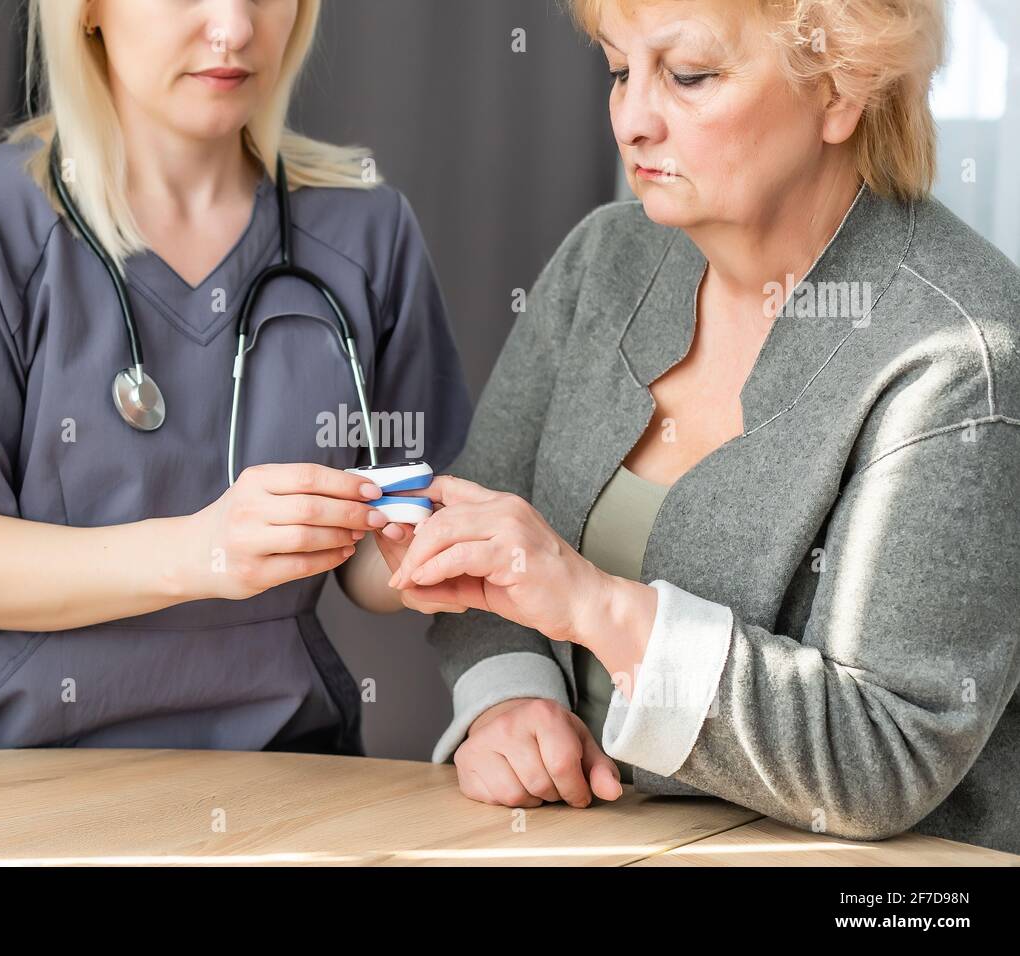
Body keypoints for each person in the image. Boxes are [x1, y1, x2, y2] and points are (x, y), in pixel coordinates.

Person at [378, 0, 1020, 853]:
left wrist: (595, 605)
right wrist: (508, 694)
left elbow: (888, 756)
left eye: (688, 76)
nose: (632, 120)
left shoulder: (957, 352)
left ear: (839, 89)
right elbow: (481, 534)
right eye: (617, 70)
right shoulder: (606, 257)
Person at [0, 0, 470, 755]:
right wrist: (202, 551)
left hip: (284, 764)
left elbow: (371, 563)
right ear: (88, 13)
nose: (234, 28)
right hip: (11, 764)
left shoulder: (368, 230)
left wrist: (407, 554)